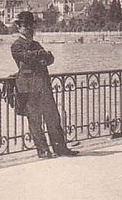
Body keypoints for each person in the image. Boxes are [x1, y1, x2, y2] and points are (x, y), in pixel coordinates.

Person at [11, 11, 78, 158]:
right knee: (35, 121)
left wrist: (43, 56)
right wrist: (41, 55)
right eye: (26, 27)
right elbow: (28, 58)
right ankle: (43, 151)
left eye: (31, 27)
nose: (29, 30)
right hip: (28, 89)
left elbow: (49, 59)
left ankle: (61, 149)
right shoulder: (16, 46)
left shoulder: (35, 44)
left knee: (53, 118)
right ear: (19, 28)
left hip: (43, 86)